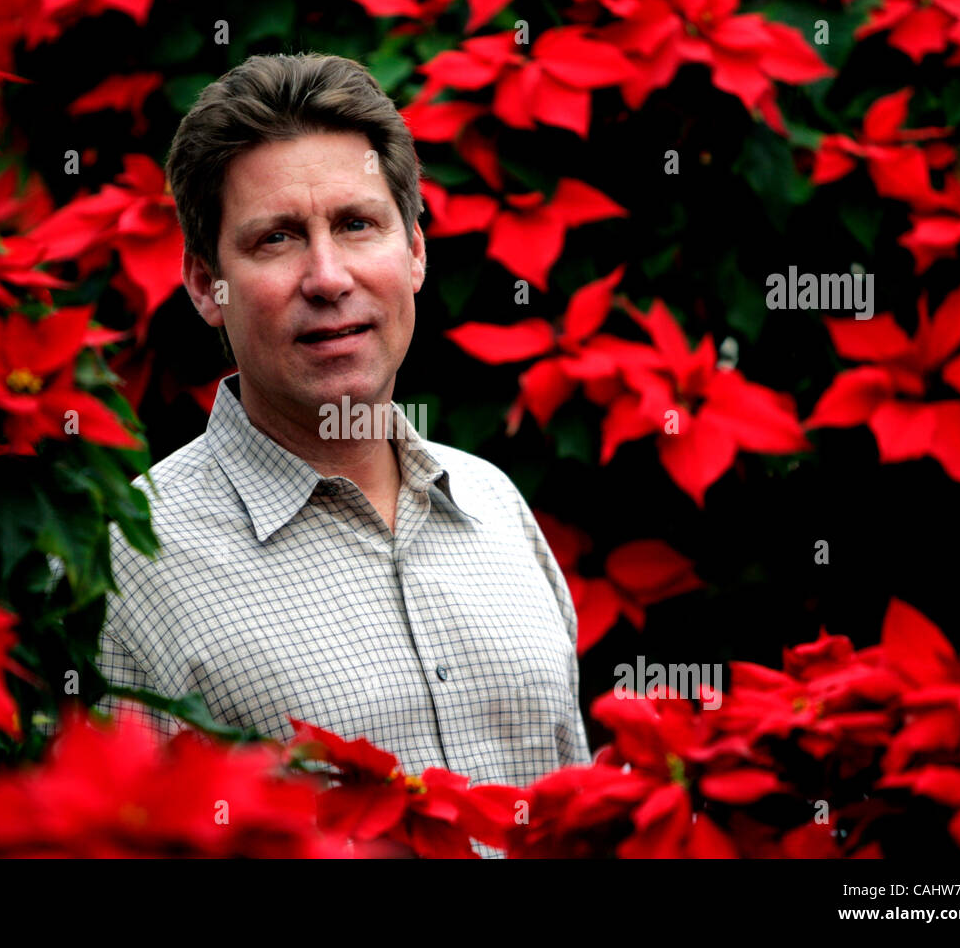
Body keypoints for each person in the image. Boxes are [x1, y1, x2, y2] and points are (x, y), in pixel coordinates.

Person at [96, 53, 592, 842]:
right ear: (202, 282)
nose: (327, 277)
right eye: (277, 239)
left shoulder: (496, 506)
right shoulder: (129, 560)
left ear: (416, 251)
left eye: (357, 225)